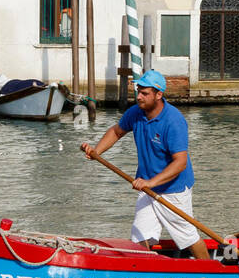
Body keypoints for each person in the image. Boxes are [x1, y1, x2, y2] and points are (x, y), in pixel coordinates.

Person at [81, 71, 208, 260]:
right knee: (139, 236)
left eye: (144, 93)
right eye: (138, 91)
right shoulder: (135, 113)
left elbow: (180, 162)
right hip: (147, 185)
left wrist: (151, 182)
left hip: (173, 189)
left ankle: (209, 268)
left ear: (158, 95)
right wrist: (96, 151)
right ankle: (144, 269)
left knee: (187, 237)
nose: (139, 96)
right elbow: (116, 132)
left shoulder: (173, 121)